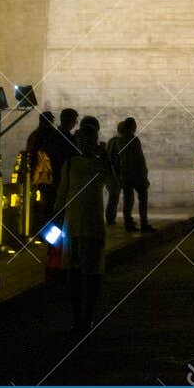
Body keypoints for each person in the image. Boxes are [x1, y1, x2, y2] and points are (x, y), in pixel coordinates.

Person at [54, 116, 110, 334]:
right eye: (82, 141)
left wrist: (106, 157)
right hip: (73, 227)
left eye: (90, 140)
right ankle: (79, 317)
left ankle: (87, 316)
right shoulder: (70, 165)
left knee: (92, 274)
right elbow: (61, 196)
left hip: (93, 227)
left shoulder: (100, 164)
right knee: (76, 274)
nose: (85, 144)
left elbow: (115, 183)